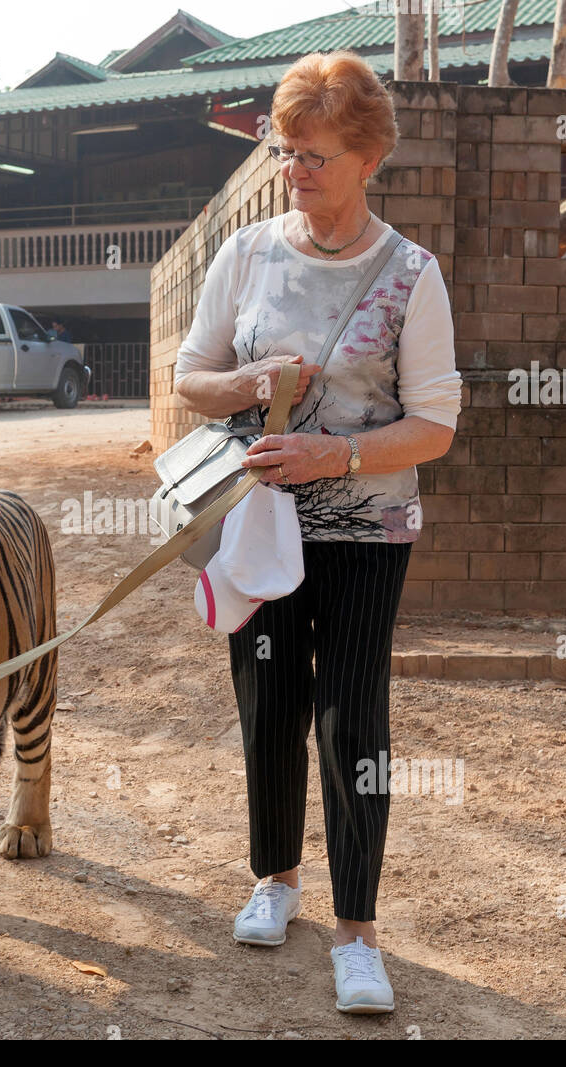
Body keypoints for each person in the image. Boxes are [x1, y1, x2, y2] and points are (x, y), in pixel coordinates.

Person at [174, 50, 462, 1013]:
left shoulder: (411, 273)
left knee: (350, 719)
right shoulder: (246, 254)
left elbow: (435, 424)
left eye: (315, 156)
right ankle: (274, 879)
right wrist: (256, 387)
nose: (295, 172)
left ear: (367, 156)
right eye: (286, 152)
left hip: (366, 530)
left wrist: (331, 457)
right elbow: (191, 377)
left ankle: (358, 933)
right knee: (267, 705)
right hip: (257, 524)